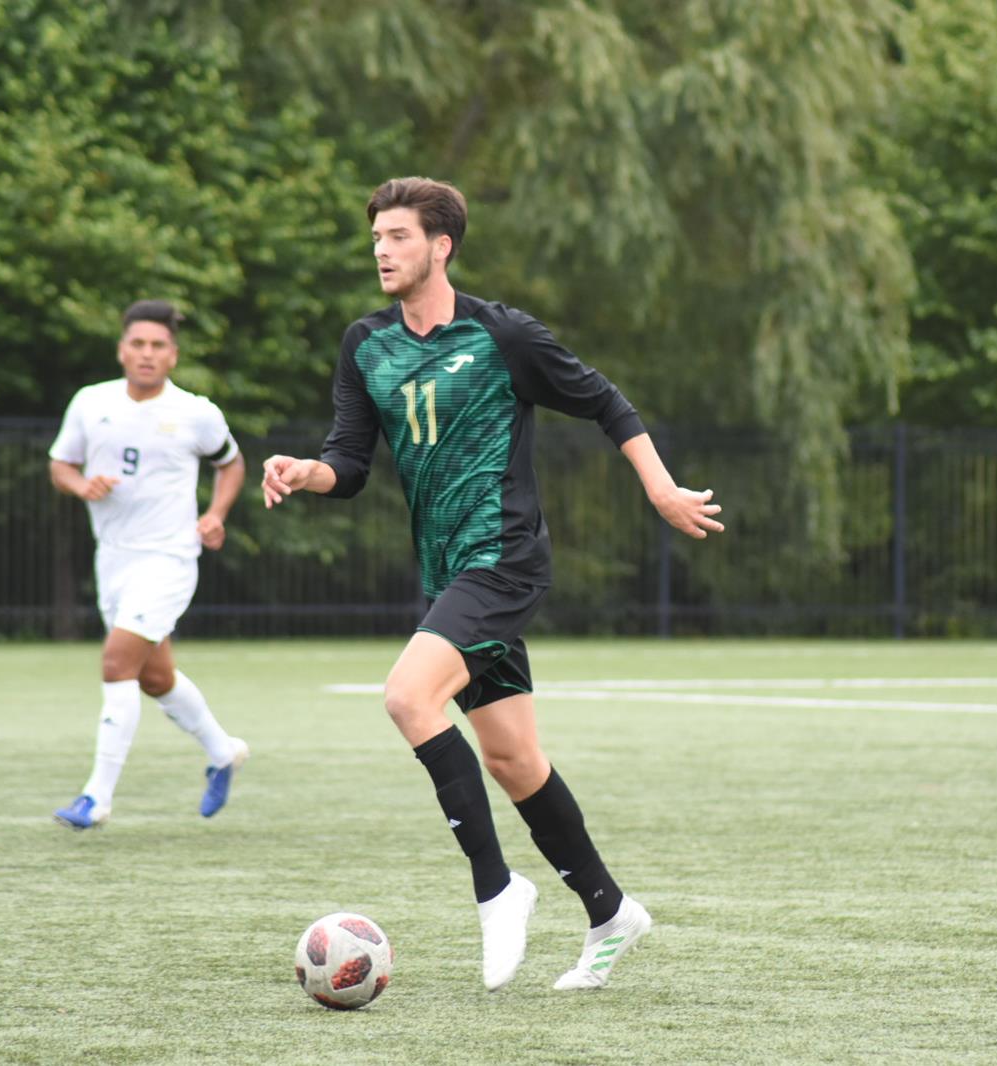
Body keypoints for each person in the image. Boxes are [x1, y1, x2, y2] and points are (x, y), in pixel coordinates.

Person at [261, 177, 724, 991]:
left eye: (398, 236)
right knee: (513, 758)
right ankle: (612, 911)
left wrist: (659, 487)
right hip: (447, 571)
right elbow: (350, 462)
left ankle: (497, 887)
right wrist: (306, 472)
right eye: (376, 236)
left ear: (440, 246)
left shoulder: (499, 333)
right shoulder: (364, 343)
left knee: (408, 697)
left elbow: (607, 402)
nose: (381, 248)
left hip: (503, 558)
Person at [48, 299, 249, 830]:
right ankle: (223, 751)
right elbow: (59, 464)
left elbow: (231, 463)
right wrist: (80, 484)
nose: (147, 353)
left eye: (158, 346)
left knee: (117, 664)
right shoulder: (91, 403)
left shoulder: (195, 412)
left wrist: (215, 514)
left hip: (168, 559)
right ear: (121, 349)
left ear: (173, 356)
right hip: (112, 559)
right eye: (138, 343)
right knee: (155, 677)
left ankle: (97, 797)